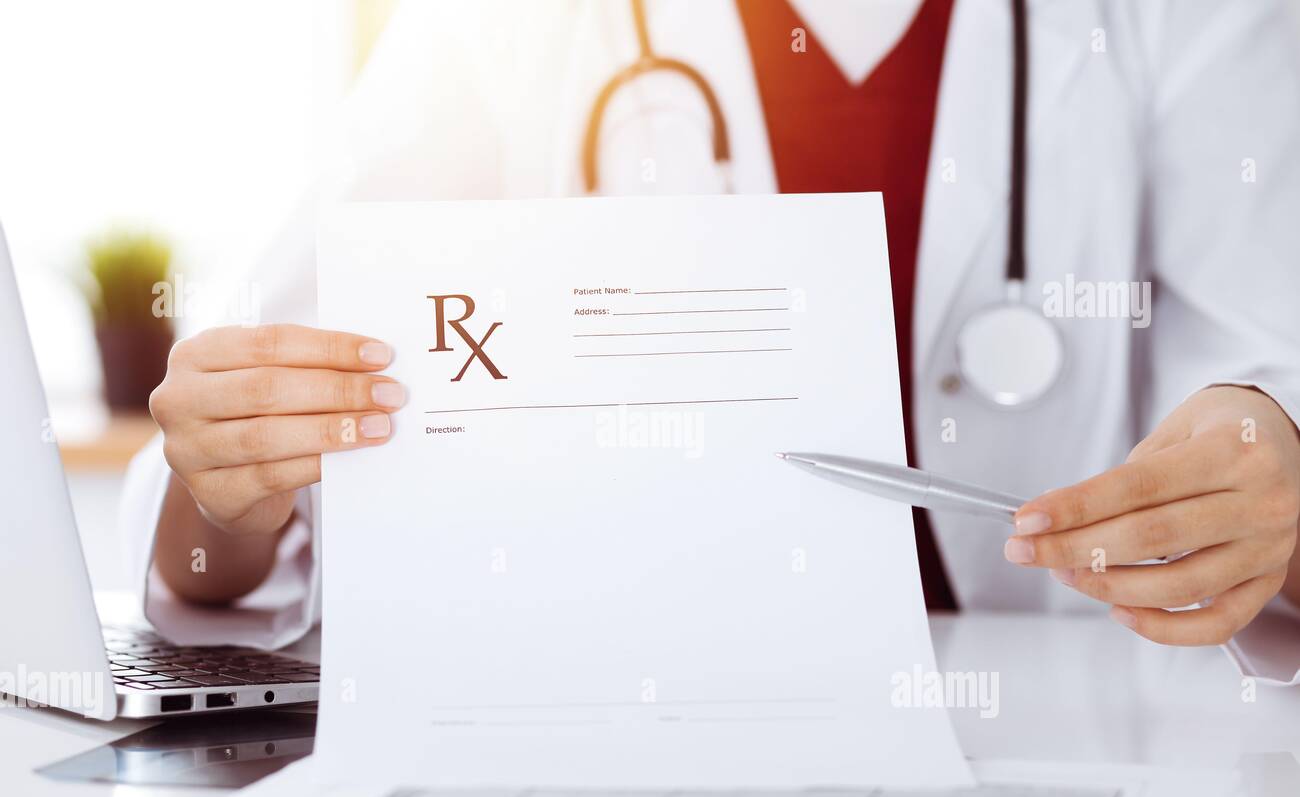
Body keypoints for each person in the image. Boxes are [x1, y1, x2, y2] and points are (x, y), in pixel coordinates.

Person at [124, 0, 1300, 671]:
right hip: (643, 721)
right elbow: (227, 503)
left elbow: (1269, 424)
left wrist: (1269, 492)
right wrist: (228, 486)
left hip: (1093, 731)